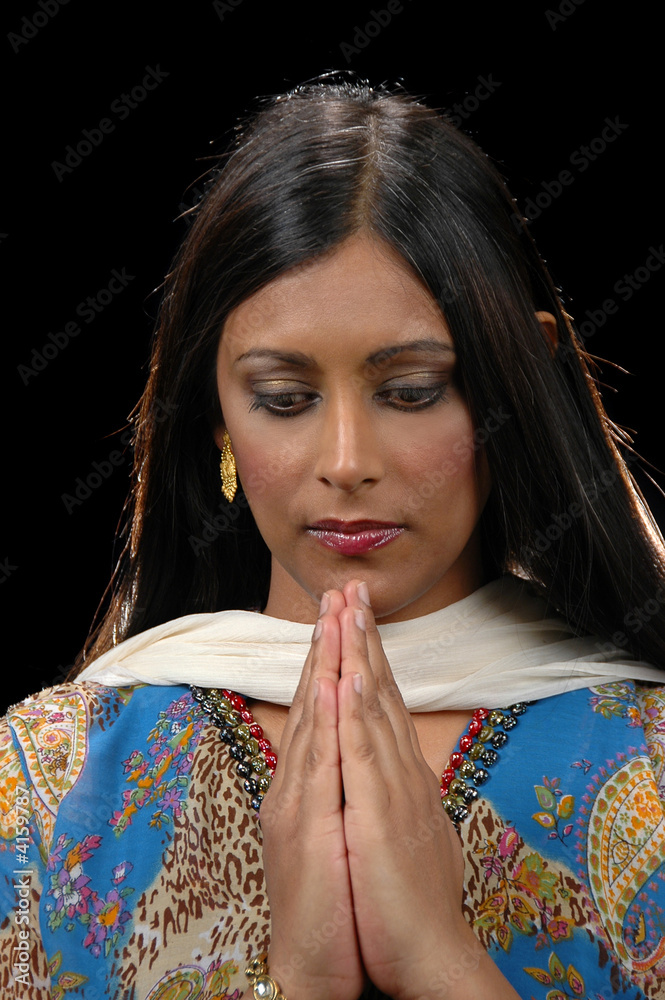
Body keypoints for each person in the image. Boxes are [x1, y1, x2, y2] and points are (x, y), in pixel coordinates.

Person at [1, 77, 664, 1000]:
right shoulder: (45, 789)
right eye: (283, 399)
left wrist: (440, 962)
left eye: (410, 391)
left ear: (515, 387)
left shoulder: (651, 770)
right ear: (217, 419)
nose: (345, 461)